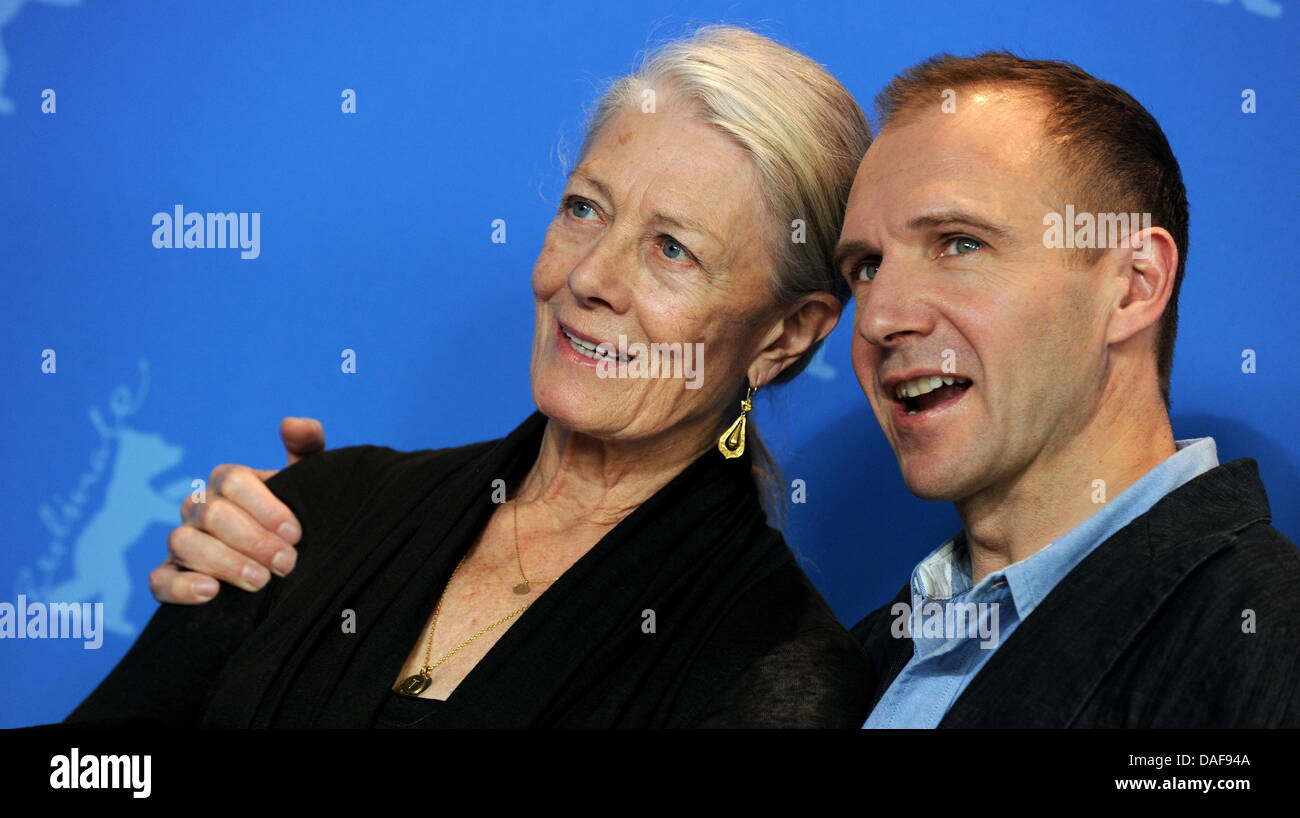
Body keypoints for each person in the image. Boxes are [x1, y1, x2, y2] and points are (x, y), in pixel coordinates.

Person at [63, 25, 876, 728]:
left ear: (784, 334)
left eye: (673, 250)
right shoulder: (317, 514)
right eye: (585, 208)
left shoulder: (777, 664)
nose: (590, 276)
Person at [837, 52, 1299, 727]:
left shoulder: (1265, 650)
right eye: (868, 266)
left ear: (1134, 287)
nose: (878, 317)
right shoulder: (850, 666)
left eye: (959, 244)